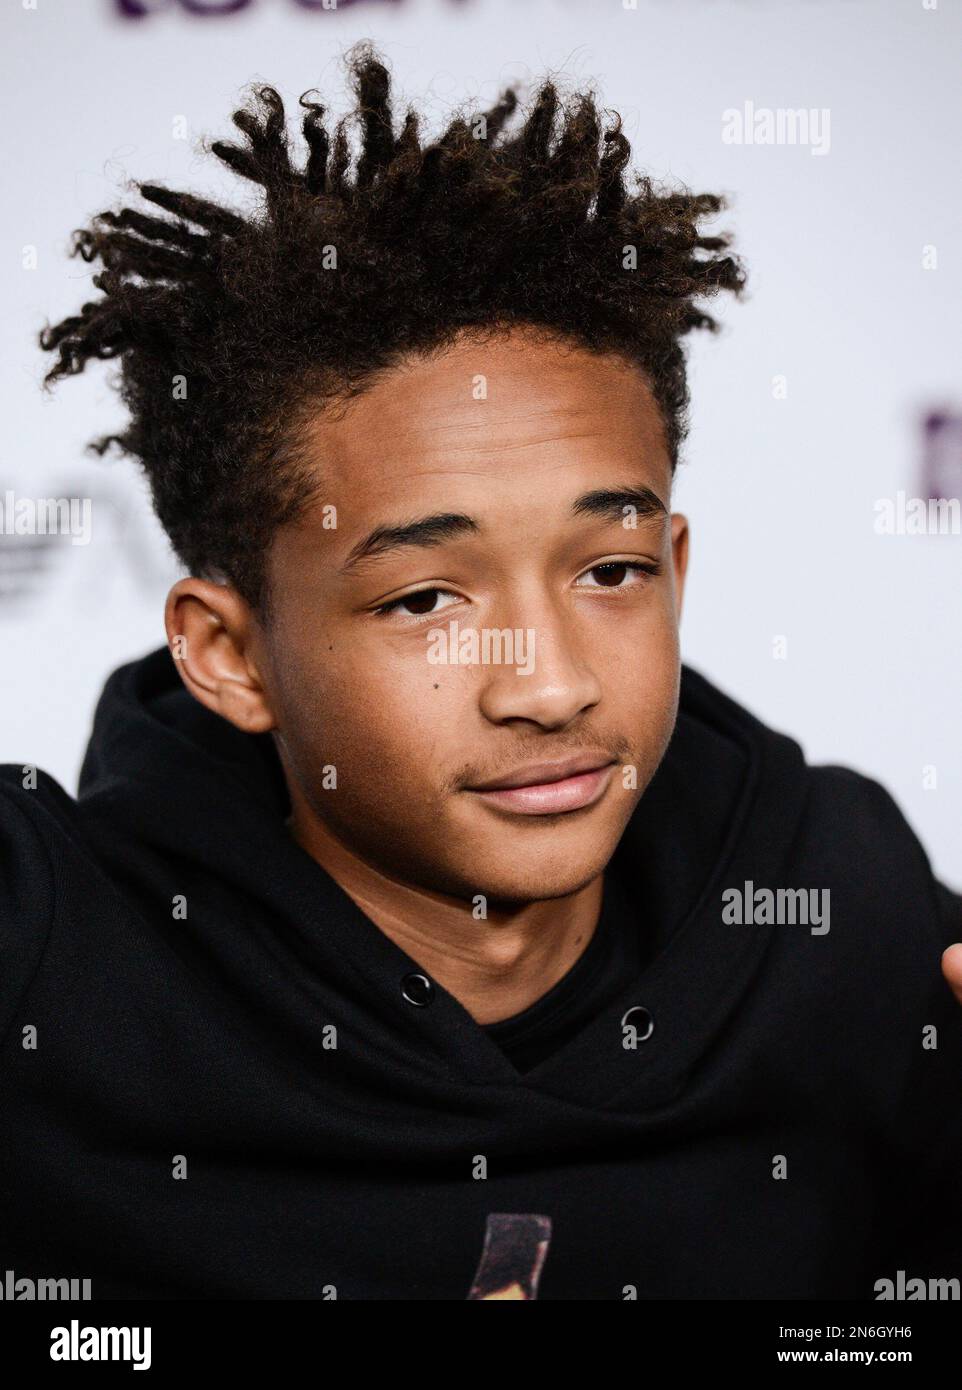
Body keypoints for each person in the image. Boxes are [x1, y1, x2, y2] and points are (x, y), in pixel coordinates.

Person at [2, 42, 959, 1300]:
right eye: (423, 599)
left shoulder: (837, 904)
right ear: (230, 655)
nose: (549, 685)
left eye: (610, 570)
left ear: (675, 559)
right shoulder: (45, 951)